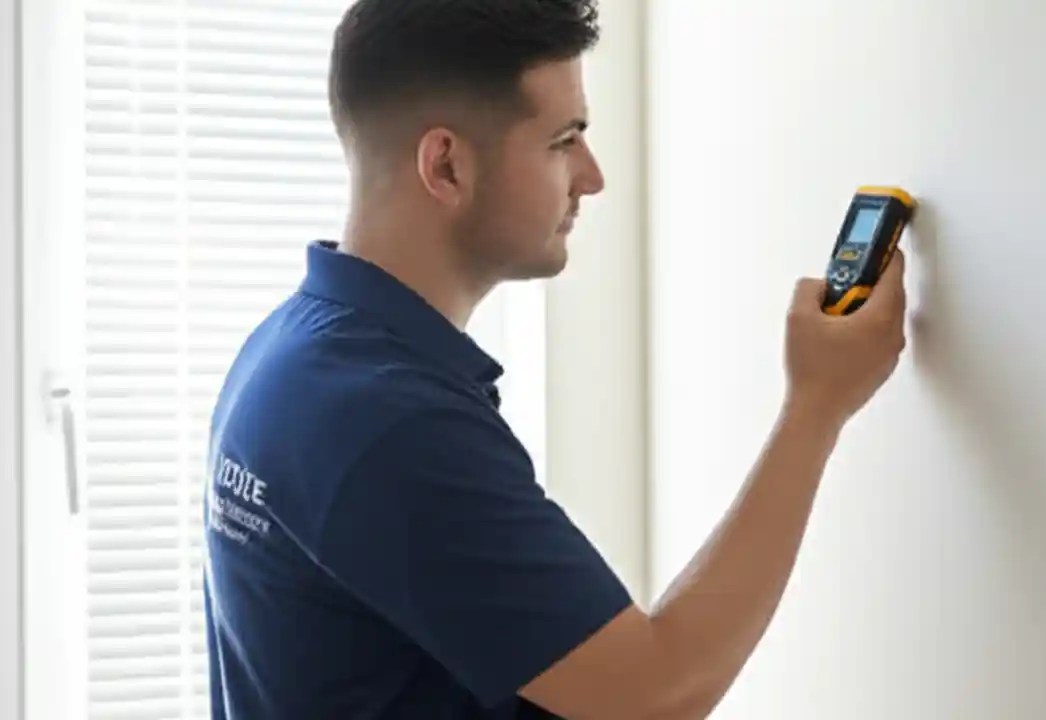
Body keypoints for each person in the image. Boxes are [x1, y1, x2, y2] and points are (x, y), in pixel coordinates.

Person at [201, 0, 908, 717]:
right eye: (563, 140)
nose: (592, 176)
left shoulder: (290, 352)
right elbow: (653, 698)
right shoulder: (388, 419)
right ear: (445, 165)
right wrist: (816, 405)